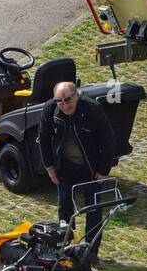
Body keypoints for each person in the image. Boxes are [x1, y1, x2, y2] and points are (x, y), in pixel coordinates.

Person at [38, 81, 117, 247]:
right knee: (64, 210)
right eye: (59, 101)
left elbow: (109, 140)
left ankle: (91, 250)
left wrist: (103, 170)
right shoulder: (50, 109)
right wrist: (49, 167)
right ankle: (66, 247)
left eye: (67, 100)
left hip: (90, 166)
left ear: (76, 96)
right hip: (64, 166)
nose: (64, 105)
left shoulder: (92, 109)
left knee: (93, 210)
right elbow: (43, 138)